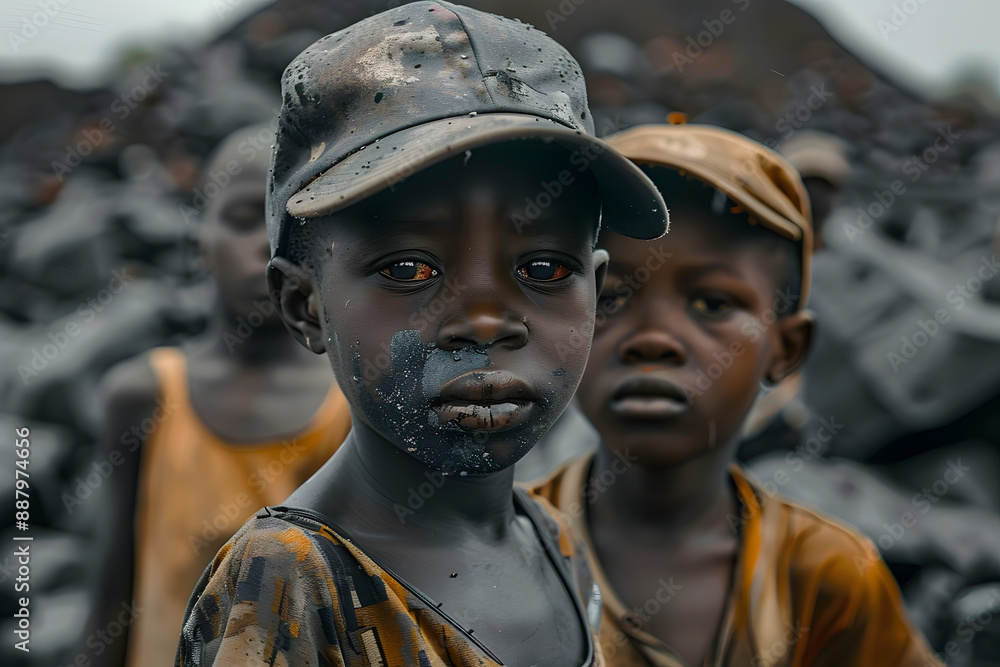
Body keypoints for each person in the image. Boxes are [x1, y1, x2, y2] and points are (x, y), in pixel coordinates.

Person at [176, 3, 668, 666]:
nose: (486, 320)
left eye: (545, 269)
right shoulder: (288, 583)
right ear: (304, 306)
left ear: (598, 291)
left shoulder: (553, 540)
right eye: (409, 269)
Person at [530, 123, 943, 667]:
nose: (653, 337)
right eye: (609, 297)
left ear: (787, 348)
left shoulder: (827, 577)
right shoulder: (482, 557)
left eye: (712, 303)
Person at [81, 123, 352, 667]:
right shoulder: (143, 396)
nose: (269, 245)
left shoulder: (349, 406)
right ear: (196, 243)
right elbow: (113, 592)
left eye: (295, 225)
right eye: (246, 218)